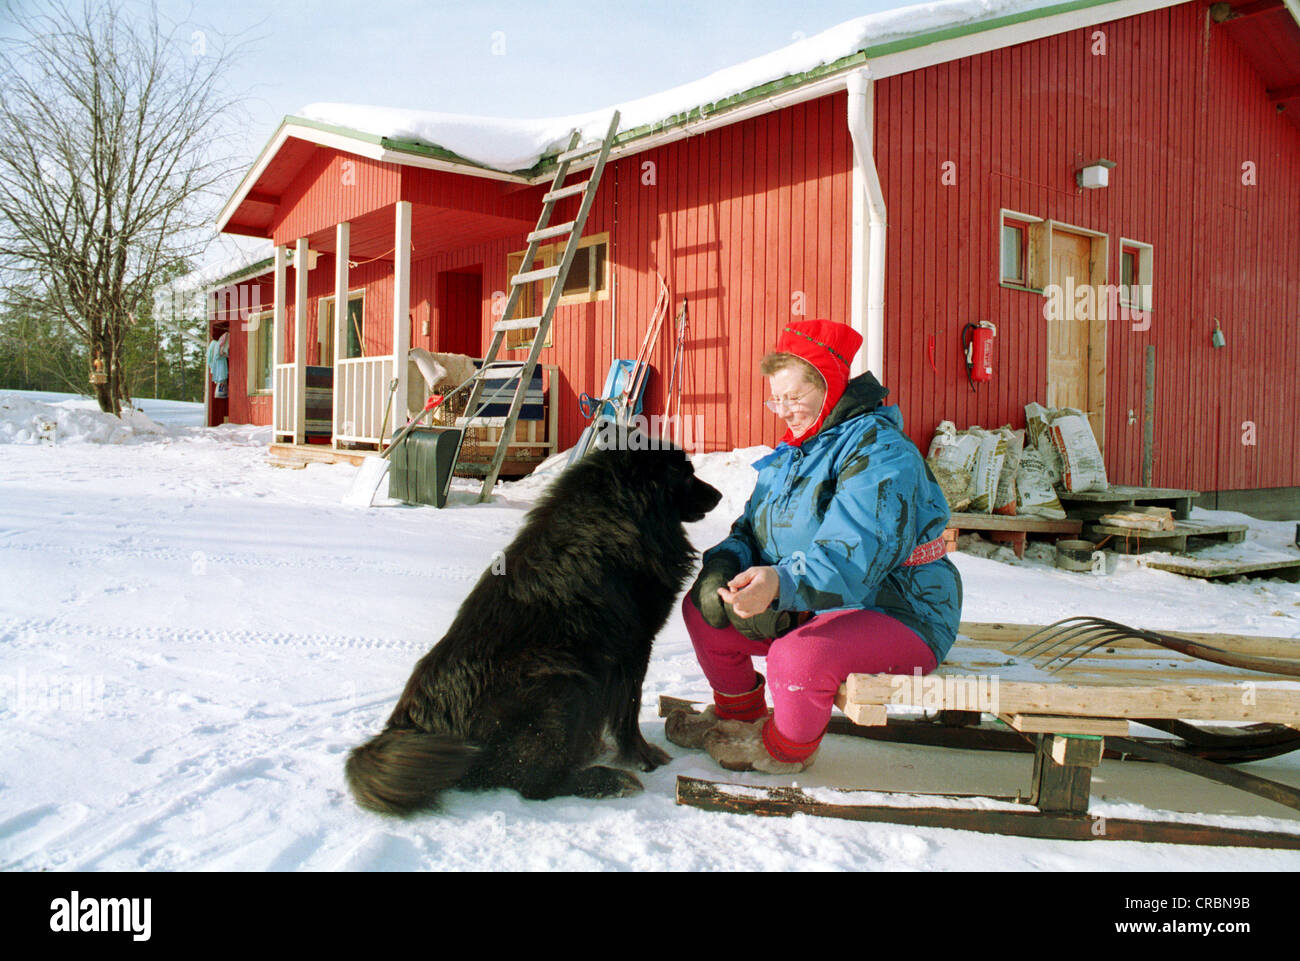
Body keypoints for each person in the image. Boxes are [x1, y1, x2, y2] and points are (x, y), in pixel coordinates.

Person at [665, 318, 962, 773]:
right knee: (702, 614)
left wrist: (782, 581)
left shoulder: (881, 452)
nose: (783, 410)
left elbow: (856, 554)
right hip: (816, 600)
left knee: (798, 657)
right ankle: (738, 718)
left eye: (794, 396)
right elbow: (753, 527)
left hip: (901, 608)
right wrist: (725, 564)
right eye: (776, 399)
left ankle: (783, 748)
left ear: (830, 385)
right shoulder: (796, 451)